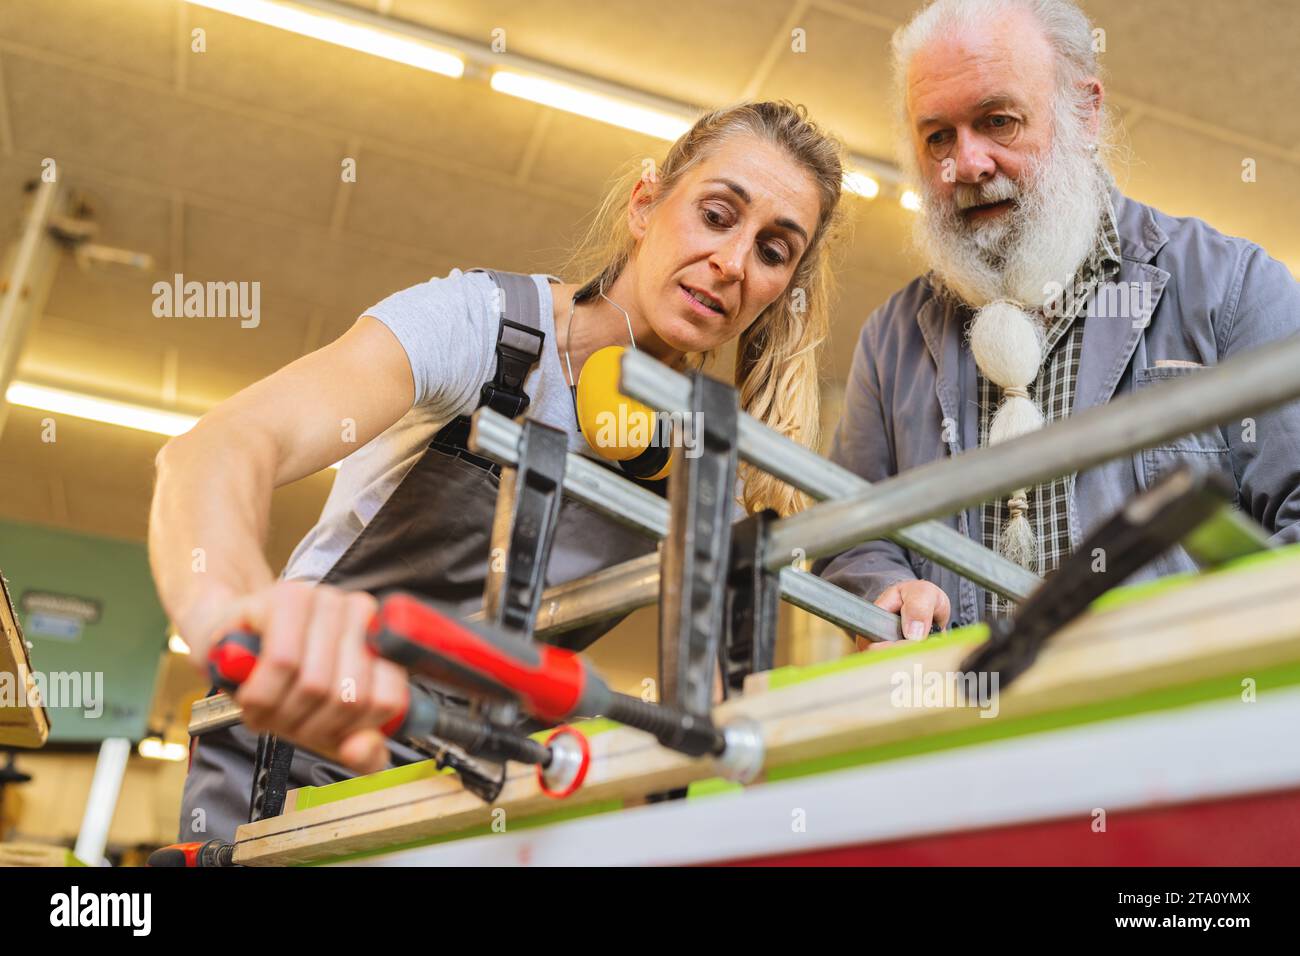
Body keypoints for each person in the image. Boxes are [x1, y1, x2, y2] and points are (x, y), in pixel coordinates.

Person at [149, 101, 846, 842]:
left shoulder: (701, 458)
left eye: (773, 251)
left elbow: (713, 710)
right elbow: (224, 442)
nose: (734, 263)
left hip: (471, 795)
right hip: (295, 759)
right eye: (716, 215)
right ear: (646, 204)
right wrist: (231, 615)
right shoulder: (487, 328)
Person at [815, 0, 1300, 644]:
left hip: (1183, 722)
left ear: (1086, 112)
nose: (969, 164)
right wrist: (883, 587)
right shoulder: (890, 340)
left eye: (999, 121)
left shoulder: (1232, 288)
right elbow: (852, 537)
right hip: (971, 727)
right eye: (938, 137)